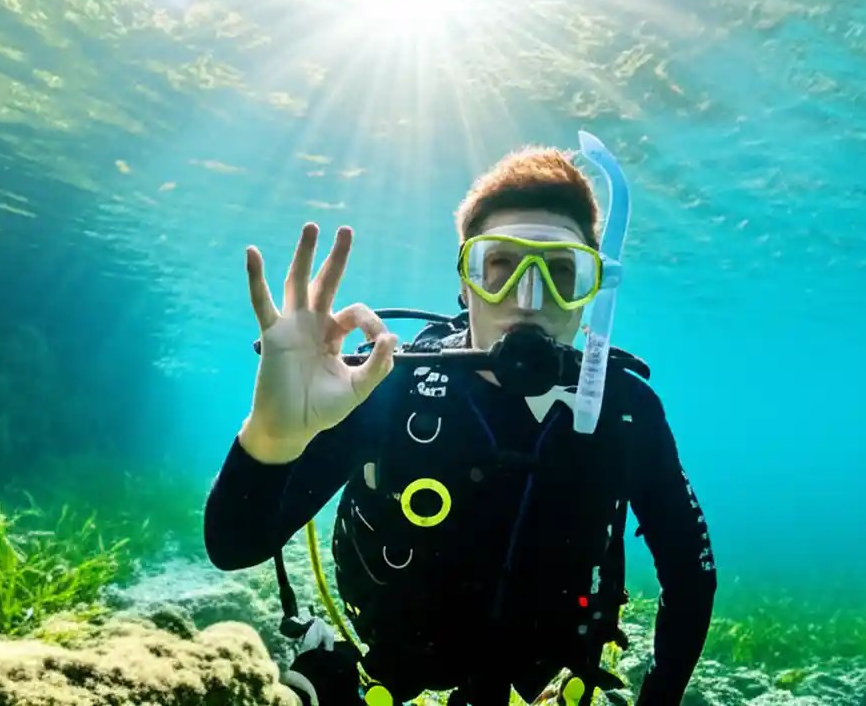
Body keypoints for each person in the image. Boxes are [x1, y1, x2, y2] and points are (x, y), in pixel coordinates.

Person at [203, 136, 718, 706]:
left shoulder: (624, 411)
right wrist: (272, 436)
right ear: (465, 283)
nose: (527, 299)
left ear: (591, 292)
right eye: (498, 267)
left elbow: (690, 576)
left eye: (561, 273)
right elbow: (234, 547)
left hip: (540, 675)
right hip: (390, 656)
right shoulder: (385, 386)